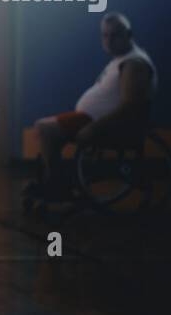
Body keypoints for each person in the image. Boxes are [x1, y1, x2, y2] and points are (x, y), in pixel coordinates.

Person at [30, 12, 157, 197]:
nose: (109, 40)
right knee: (43, 125)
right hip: (89, 118)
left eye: (115, 35)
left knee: (45, 129)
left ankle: (55, 186)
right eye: (105, 35)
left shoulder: (134, 64)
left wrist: (95, 128)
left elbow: (131, 106)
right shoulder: (123, 59)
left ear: (129, 35)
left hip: (99, 122)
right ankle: (53, 180)